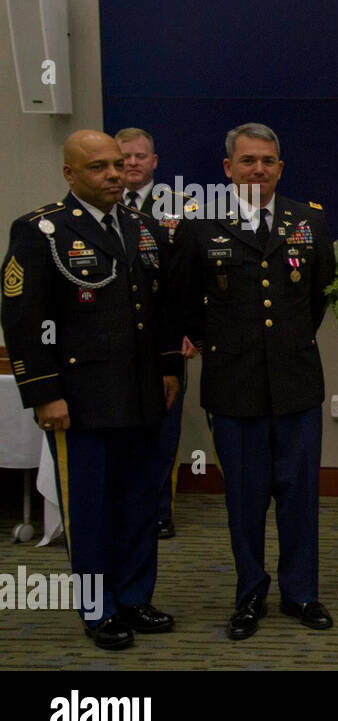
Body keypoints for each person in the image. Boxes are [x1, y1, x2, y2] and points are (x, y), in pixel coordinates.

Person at [1, 130, 181, 650]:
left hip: (144, 394)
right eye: (99, 167)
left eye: (118, 166)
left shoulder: (144, 228)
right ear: (70, 174)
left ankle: (135, 597)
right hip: (81, 401)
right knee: (91, 508)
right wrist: (43, 393)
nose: (113, 176)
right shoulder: (43, 231)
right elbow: (21, 318)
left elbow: (162, 310)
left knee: (140, 503)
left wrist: (169, 368)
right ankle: (98, 608)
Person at [172, 123, 335, 639]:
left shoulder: (308, 221)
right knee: (243, 500)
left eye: (267, 161)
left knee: (299, 496)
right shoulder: (200, 228)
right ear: (228, 168)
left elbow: (316, 300)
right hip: (232, 384)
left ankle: (301, 593)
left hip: (296, 383)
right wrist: (228, 344)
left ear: (280, 168)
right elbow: (184, 304)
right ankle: (249, 595)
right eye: (248, 161)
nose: (258, 169)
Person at [115, 127, 195, 540]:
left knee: (165, 430)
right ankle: (125, 506)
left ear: (154, 162)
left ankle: (160, 511)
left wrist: (190, 332)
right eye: (124, 156)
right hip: (115, 341)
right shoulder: (102, 206)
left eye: (139, 157)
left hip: (165, 338)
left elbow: (191, 279)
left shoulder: (181, 208)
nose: (131, 163)